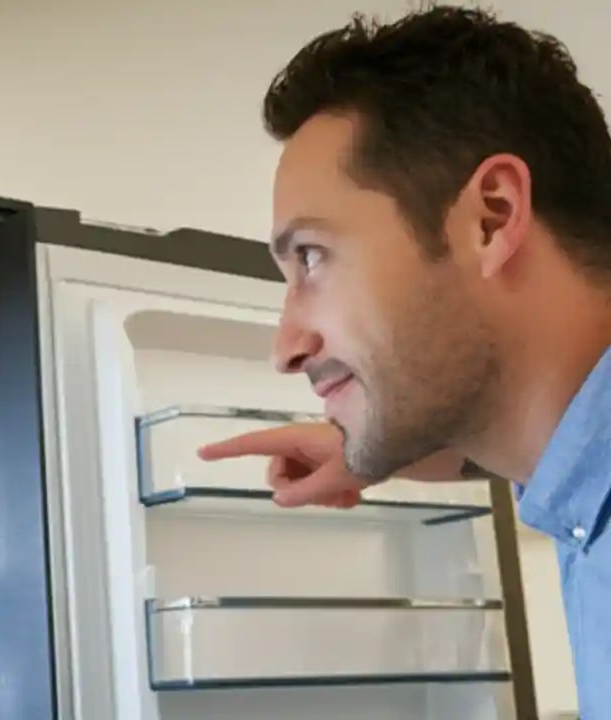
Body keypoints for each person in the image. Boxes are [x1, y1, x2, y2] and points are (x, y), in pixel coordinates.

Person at [195, 5, 611, 716]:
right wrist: (388, 438)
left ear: (492, 217)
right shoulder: (580, 502)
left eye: (312, 256)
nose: (285, 346)